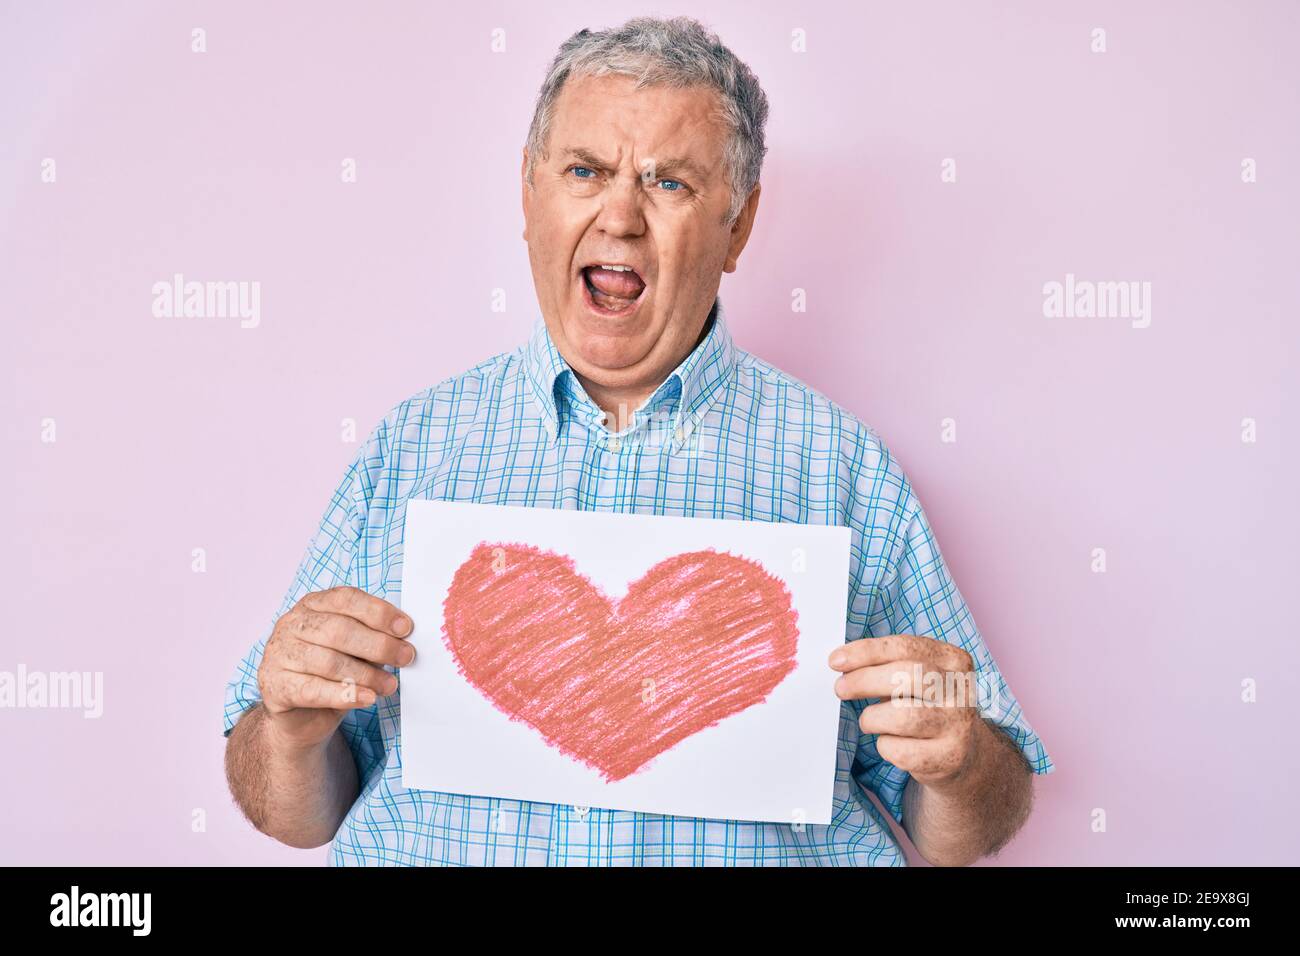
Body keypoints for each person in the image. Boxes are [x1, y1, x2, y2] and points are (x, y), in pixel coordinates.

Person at [223, 15, 1052, 866]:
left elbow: (968, 825)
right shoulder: (410, 448)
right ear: (529, 193)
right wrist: (286, 728)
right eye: (584, 170)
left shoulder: (844, 470)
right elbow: (296, 814)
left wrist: (961, 763)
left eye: (670, 184)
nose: (619, 215)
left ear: (739, 227)